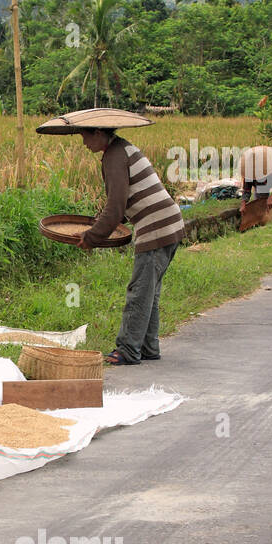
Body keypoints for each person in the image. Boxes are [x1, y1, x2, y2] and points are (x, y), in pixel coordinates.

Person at [77, 127, 185, 366]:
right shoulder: (122, 148)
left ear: (98, 133)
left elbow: (116, 206)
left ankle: (128, 349)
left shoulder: (114, 156)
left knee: (140, 290)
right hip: (169, 223)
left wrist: (92, 237)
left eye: (85, 136)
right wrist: (101, 225)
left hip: (156, 227)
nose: (84, 142)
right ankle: (147, 347)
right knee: (150, 291)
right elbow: (124, 204)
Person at [238, 145, 272, 217]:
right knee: (260, 207)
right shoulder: (249, 172)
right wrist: (243, 203)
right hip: (260, 186)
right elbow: (246, 190)